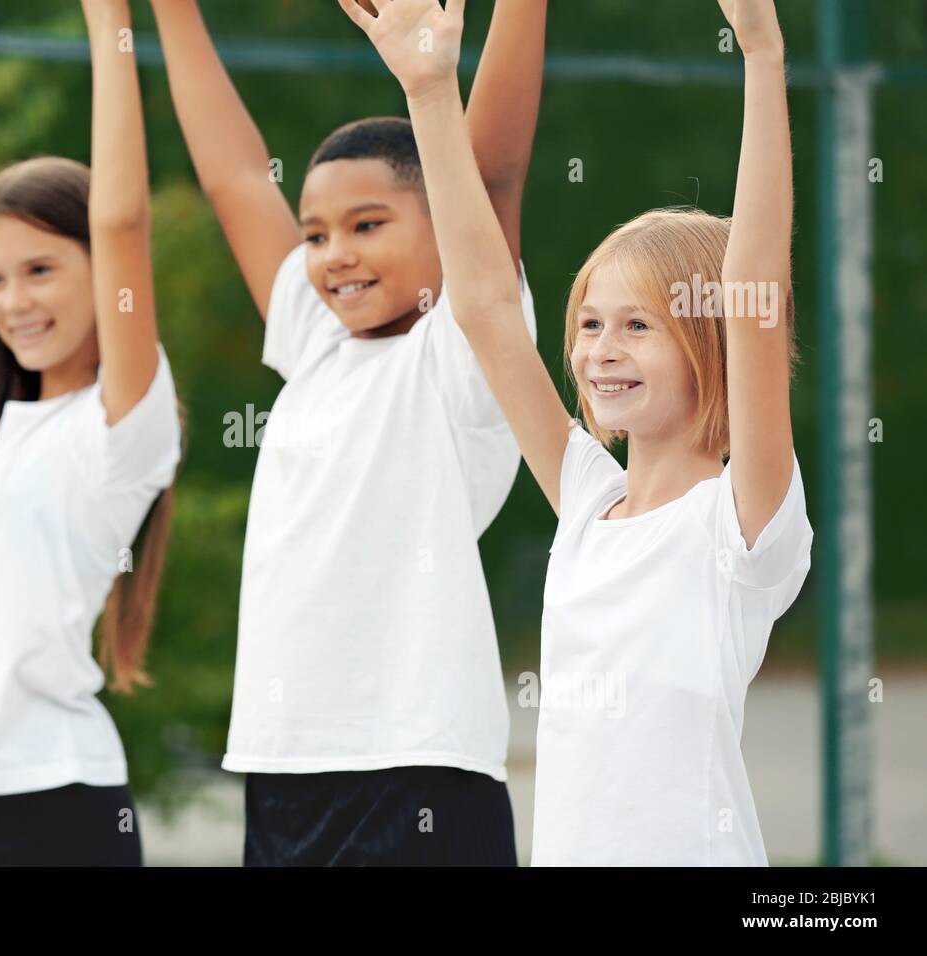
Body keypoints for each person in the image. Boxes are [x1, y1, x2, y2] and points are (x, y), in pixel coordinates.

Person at [340, 0, 811, 865]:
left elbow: (753, 289)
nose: (599, 350)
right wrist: (430, 92)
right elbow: (482, 303)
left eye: (637, 326)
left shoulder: (742, 524)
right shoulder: (589, 503)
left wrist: (761, 53)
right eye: (590, 324)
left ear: (708, 338)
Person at [151, 0, 546, 865]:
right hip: (284, 764)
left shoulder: (463, 350)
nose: (334, 254)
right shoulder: (315, 342)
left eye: (368, 225)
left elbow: (497, 170)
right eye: (317, 234)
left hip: (417, 769)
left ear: (447, 226)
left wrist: (442, 72)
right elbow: (233, 177)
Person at [0, 0, 182, 866]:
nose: (13, 301)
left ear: (103, 272)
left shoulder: (122, 423)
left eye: (43, 270)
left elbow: (122, 220)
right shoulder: (0, 421)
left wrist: (108, 25)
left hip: (51, 803)